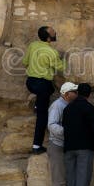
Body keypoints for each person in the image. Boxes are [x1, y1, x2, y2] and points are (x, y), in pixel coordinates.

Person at [23, 25, 65, 155]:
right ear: (48, 38)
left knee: (49, 90)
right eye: (53, 31)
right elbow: (61, 67)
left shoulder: (32, 45)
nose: (55, 31)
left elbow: (25, 62)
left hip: (30, 82)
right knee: (42, 116)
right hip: (42, 85)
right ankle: (36, 146)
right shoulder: (51, 53)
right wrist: (64, 59)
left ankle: (37, 104)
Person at [46, 81, 79, 186]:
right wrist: (68, 131)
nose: (76, 94)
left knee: (69, 177)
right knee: (59, 179)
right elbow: (52, 125)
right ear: (66, 94)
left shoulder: (70, 105)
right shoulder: (57, 106)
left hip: (68, 146)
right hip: (58, 146)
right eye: (74, 92)